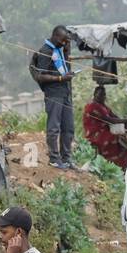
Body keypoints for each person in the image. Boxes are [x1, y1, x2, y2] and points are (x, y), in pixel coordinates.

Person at [31, 26, 76, 169]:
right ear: (56, 36)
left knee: (68, 128)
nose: (65, 43)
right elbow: (40, 76)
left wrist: (67, 51)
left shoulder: (60, 49)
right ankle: (54, 159)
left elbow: (64, 67)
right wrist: (60, 78)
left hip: (65, 93)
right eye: (63, 40)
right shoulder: (46, 51)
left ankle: (66, 159)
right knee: (54, 127)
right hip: (54, 93)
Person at [82, 85, 127, 170]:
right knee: (114, 138)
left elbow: (113, 116)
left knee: (123, 138)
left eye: (103, 95)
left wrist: (126, 124)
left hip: (105, 130)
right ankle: (114, 162)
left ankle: (125, 161)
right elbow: (108, 119)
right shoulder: (92, 107)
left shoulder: (103, 106)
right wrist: (124, 121)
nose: (102, 97)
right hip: (96, 134)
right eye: (99, 95)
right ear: (95, 94)